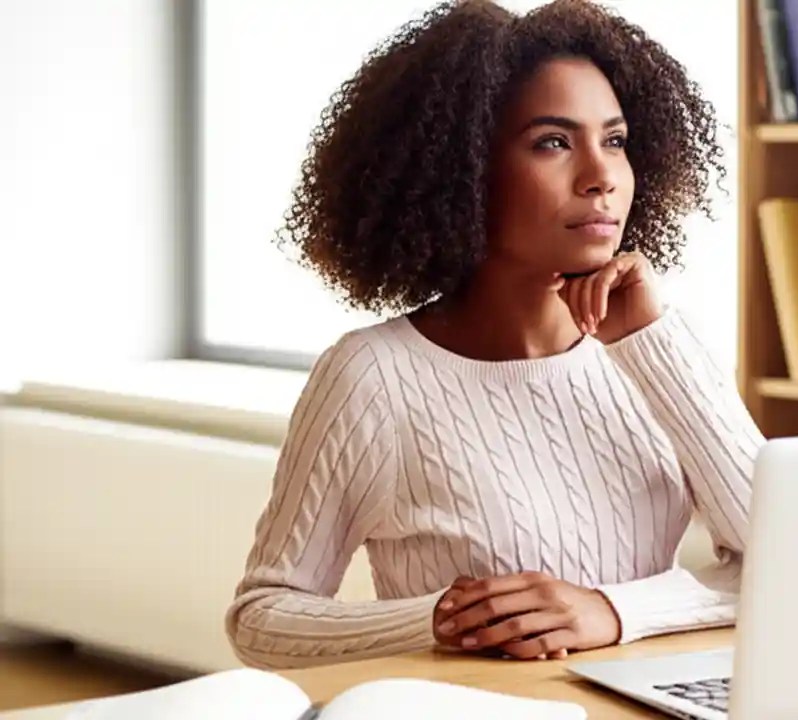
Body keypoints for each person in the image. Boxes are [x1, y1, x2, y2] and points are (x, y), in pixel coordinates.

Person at [225, 0, 763, 670]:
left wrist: (611, 610)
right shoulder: (375, 376)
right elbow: (264, 618)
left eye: (616, 140)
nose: (600, 176)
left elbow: (787, 563)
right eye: (553, 143)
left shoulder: (652, 351)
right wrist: (456, 620)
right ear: (464, 170)